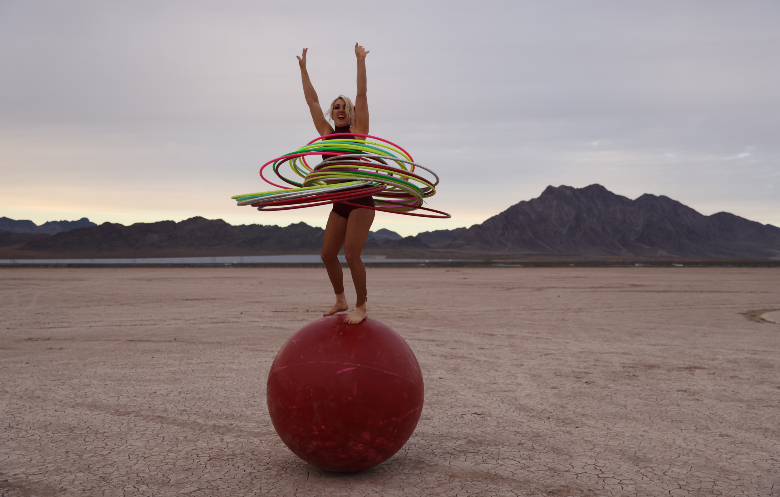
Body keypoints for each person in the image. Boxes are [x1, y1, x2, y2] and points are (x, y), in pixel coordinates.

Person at [297, 43, 373, 324]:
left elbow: (362, 94)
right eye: (336, 107)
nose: (340, 109)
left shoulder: (358, 134)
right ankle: (340, 299)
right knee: (328, 254)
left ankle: (361, 305)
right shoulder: (327, 134)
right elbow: (312, 102)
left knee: (352, 254)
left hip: (361, 200)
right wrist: (304, 70)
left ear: (351, 112)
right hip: (339, 201)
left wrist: (360, 60)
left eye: (345, 107)